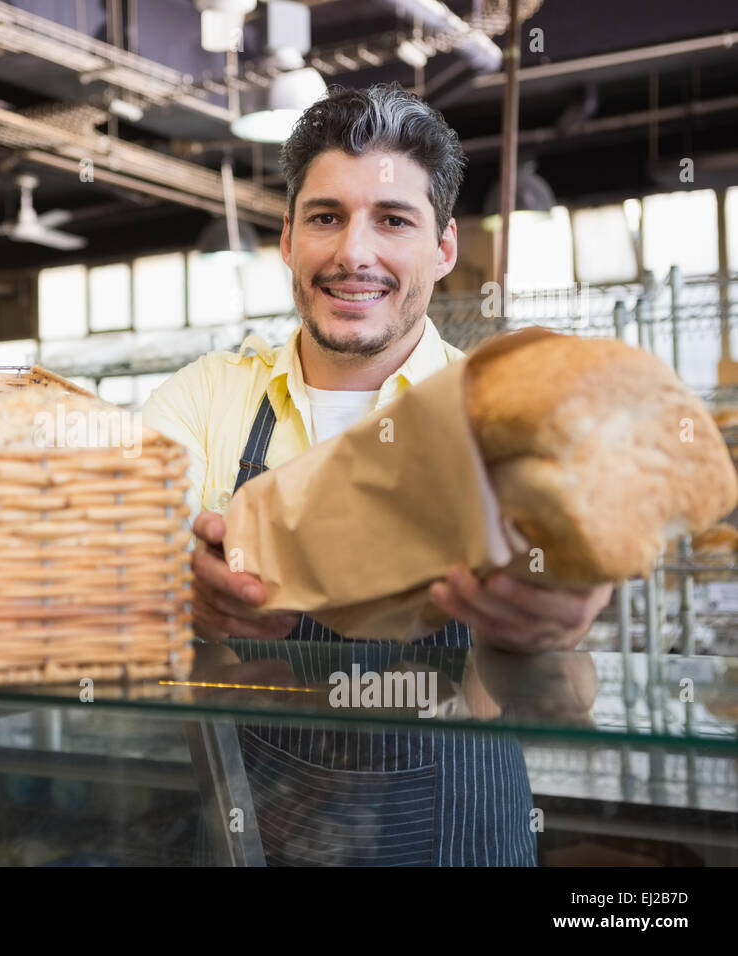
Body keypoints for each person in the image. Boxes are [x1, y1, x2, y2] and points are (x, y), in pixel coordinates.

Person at [141, 83, 614, 865]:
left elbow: (571, 673)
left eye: (393, 220)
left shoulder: (508, 423)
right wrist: (169, 584)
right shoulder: (205, 399)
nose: (353, 252)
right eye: (326, 217)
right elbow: (107, 549)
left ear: (444, 248)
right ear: (288, 238)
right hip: (261, 840)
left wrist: (550, 627)